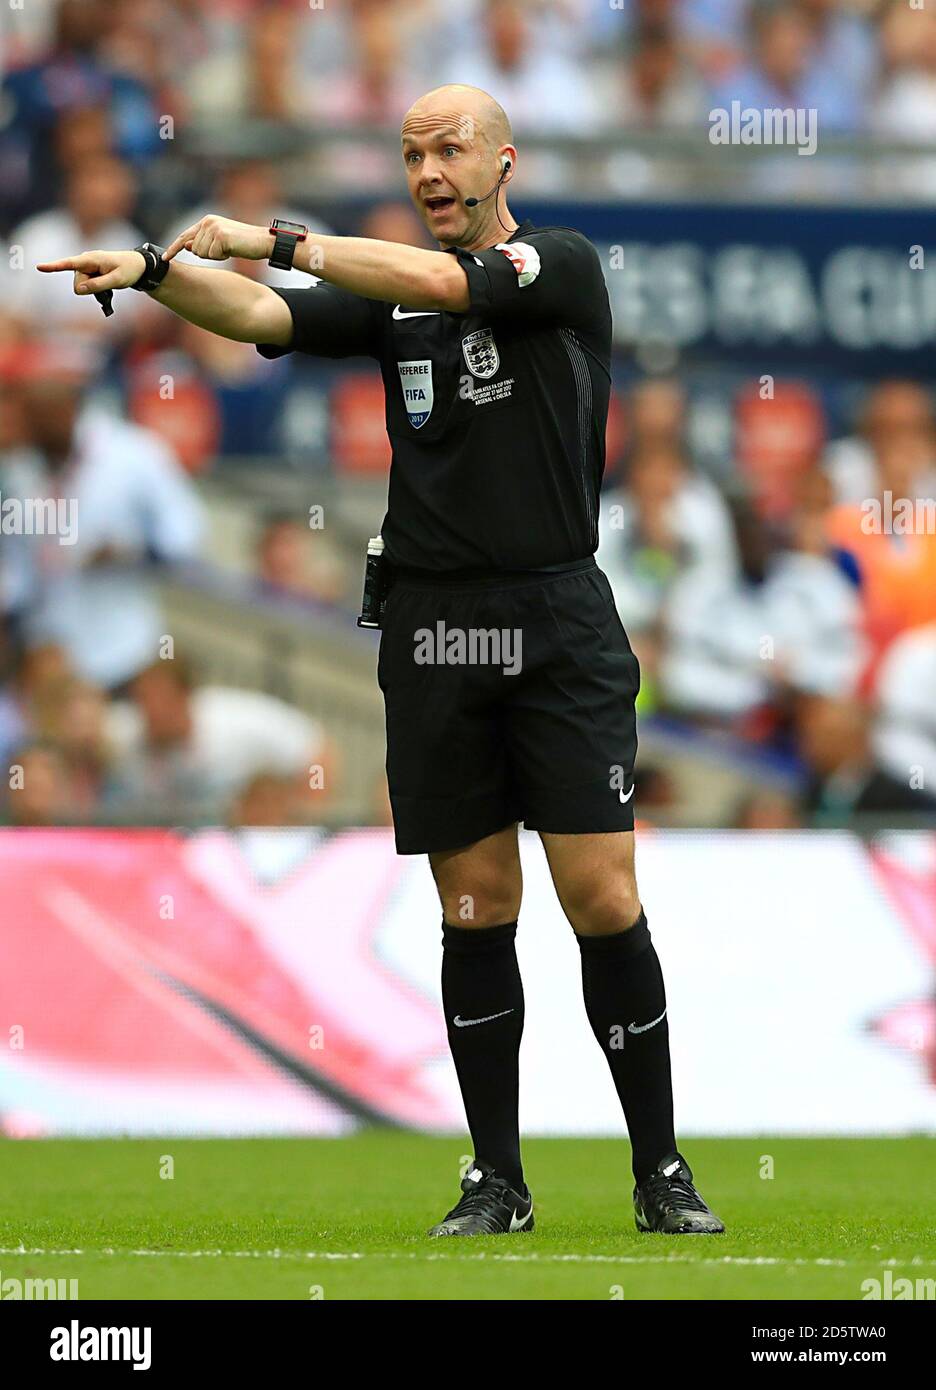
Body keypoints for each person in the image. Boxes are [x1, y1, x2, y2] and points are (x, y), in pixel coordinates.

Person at [37, 83, 723, 1238]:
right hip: (434, 629)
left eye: (449, 147)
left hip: (557, 620)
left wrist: (283, 236)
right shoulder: (390, 304)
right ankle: (496, 1181)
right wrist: (157, 272)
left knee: (602, 896)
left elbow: (437, 280)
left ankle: (661, 1169)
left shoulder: (557, 265)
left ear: (504, 158)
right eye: (411, 152)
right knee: (475, 904)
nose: (428, 169)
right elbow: (262, 318)